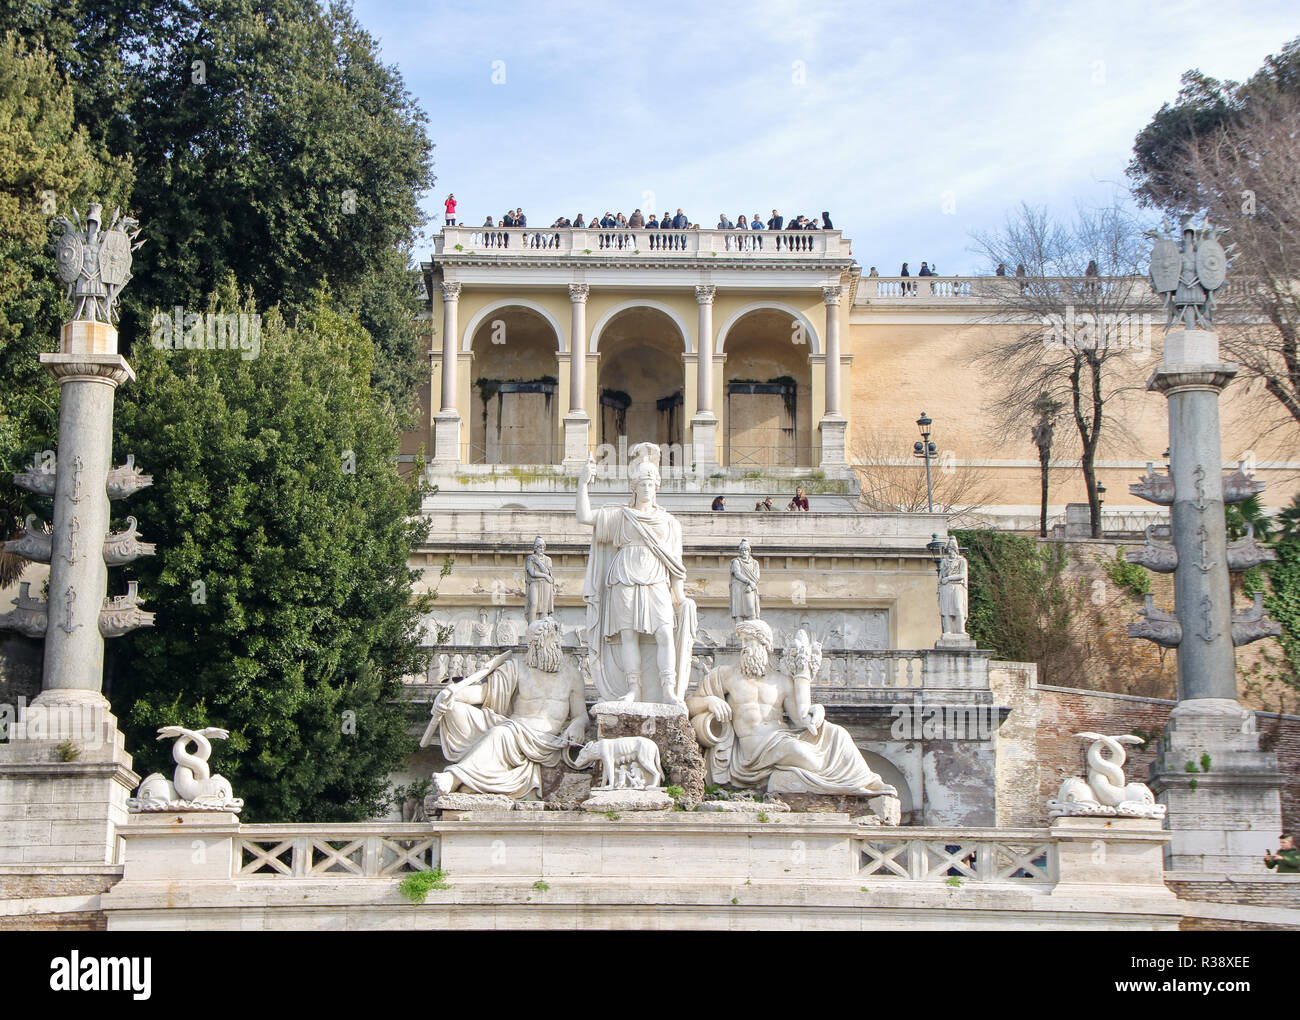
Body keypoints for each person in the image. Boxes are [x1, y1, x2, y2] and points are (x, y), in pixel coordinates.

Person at [423, 618, 590, 800]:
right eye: (544, 642)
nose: (552, 645)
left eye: (554, 640)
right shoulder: (517, 668)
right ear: (532, 646)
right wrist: (451, 696)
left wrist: (578, 725)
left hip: (543, 739)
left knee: (501, 734)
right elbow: (483, 693)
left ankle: (454, 778)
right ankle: (478, 779)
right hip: (513, 725)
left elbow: (581, 715)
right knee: (456, 710)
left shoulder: (572, 675)